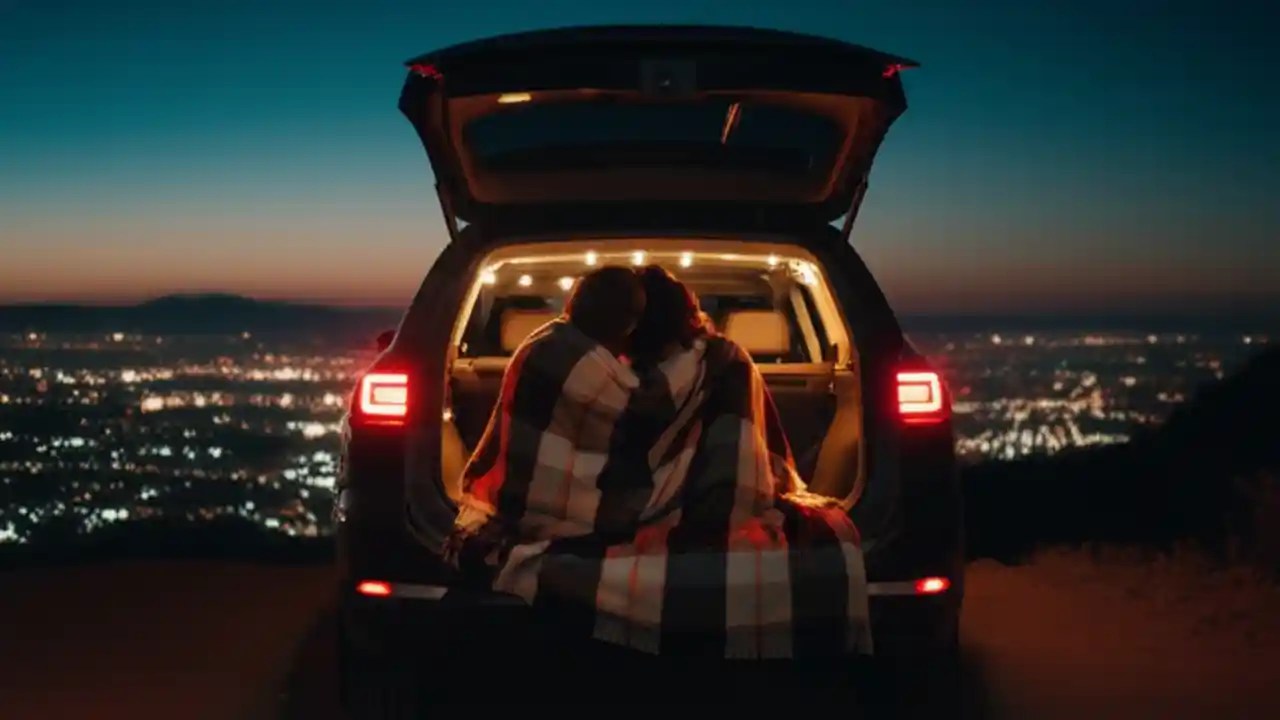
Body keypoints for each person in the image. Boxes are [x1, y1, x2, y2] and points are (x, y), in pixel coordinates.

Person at [446, 263, 871, 661]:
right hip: (702, 523)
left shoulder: (542, 356)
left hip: (565, 531)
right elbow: (743, 473)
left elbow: (520, 473)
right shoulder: (726, 364)